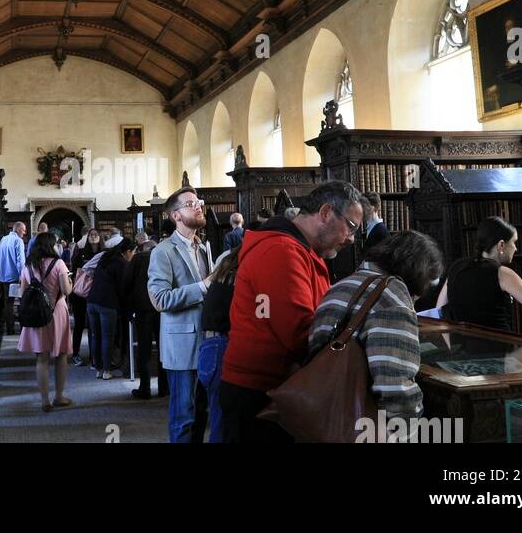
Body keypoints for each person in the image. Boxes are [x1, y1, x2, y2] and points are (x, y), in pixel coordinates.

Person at [221, 181, 363, 443]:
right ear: (325, 213)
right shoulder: (282, 251)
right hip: (260, 393)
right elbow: (300, 333)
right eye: (351, 227)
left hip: (276, 387)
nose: (352, 239)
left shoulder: (304, 251)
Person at [306, 231, 444, 440]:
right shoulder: (392, 299)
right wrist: (408, 429)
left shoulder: (341, 286)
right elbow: (394, 384)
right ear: (419, 273)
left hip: (320, 412)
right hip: (361, 425)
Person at [148, 186, 214, 443]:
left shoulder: (204, 247)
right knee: (183, 417)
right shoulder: (163, 251)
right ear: (175, 215)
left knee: (202, 413)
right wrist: (203, 286)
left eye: (199, 202)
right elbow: (160, 299)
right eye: (191, 204)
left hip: (208, 341)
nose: (198, 206)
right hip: (181, 344)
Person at [436, 216, 522, 340]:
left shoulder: (457, 267)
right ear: (501, 245)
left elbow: (440, 311)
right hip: (499, 350)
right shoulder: (503, 274)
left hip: (463, 351)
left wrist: (452, 348)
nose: (516, 248)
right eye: (514, 242)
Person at [17, 232, 74, 412]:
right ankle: (59, 396)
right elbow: (66, 290)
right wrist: (71, 282)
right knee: (61, 355)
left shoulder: (28, 265)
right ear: (52, 245)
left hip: (37, 314)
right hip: (56, 311)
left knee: (41, 358)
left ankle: (44, 401)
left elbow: (23, 292)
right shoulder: (59, 264)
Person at [198, 242, 240, 443]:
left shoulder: (223, 274)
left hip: (209, 347)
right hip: (222, 347)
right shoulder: (238, 279)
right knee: (224, 420)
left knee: (218, 415)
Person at [123, 239, 168, 399]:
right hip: (162, 307)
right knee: (163, 348)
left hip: (142, 308)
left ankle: (145, 388)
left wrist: (128, 307)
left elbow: (127, 282)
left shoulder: (138, 258)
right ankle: (164, 387)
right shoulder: (164, 256)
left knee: (144, 349)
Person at [87, 237, 135, 379]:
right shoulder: (121, 263)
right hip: (107, 304)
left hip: (92, 301)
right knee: (108, 337)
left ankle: (98, 369)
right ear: (127, 251)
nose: (133, 256)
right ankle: (107, 370)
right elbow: (123, 289)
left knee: (96, 336)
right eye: (133, 253)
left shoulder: (106, 257)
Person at [70, 229, 103, 366]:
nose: (93, 236)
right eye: (91, 235)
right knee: (78, 324)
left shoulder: (105, 254)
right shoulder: (81, 252)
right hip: (81, 293)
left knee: (94, 326)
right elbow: (75, 272)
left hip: (97, 293)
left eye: (96, 234)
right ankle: (75, 353)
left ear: (100, 237)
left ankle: (94, 356)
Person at [0, 222, 26, 335]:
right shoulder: (18, 241)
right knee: (22, 302)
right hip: (15, 277)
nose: (24, 232)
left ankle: (10, 329)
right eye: (23, 230)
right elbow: (20, 261)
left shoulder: (3, 239)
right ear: (18, 229)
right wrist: (22, 276)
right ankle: (24, 328)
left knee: (8, 304)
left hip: (3, 276)